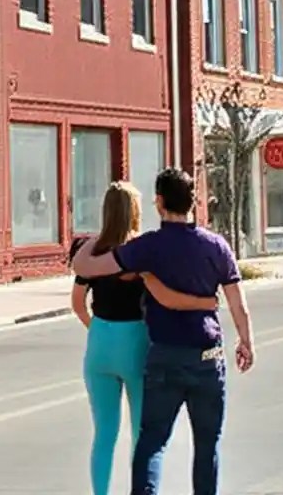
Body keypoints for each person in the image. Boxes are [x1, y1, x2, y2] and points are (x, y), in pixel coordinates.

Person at [72, 168, 254, 495]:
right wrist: (245, 341)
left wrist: (96, 239)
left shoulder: (147, 248)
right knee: (207, 445)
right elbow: (239, 305)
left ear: (158, 203)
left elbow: (86, 269)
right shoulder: (217, 245)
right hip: (208, 357)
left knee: (151, 443)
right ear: (194, 202)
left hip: (165, 356)